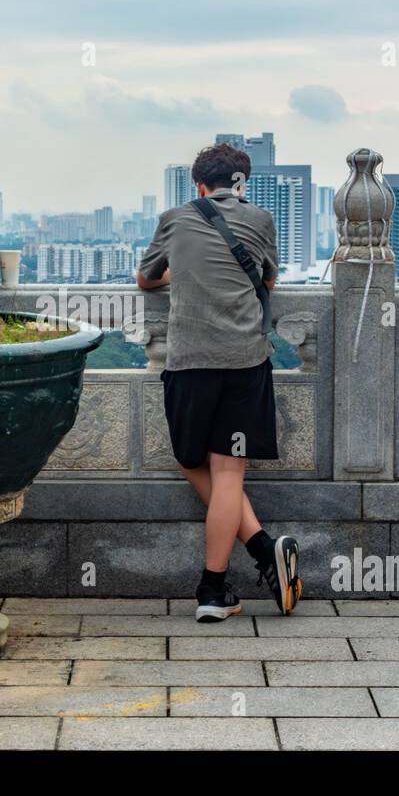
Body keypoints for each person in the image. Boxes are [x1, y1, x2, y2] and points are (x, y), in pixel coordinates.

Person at [137, 143, 301, 623]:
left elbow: (147, 279)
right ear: (241, 184)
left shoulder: (174, 217)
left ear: (199, 186)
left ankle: (221, 582)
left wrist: (184, 277)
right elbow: (268, 281)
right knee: (227, 472)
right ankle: (250, 556)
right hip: (244, 361)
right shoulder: (262, 220)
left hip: (188, 361)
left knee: (191, 460)